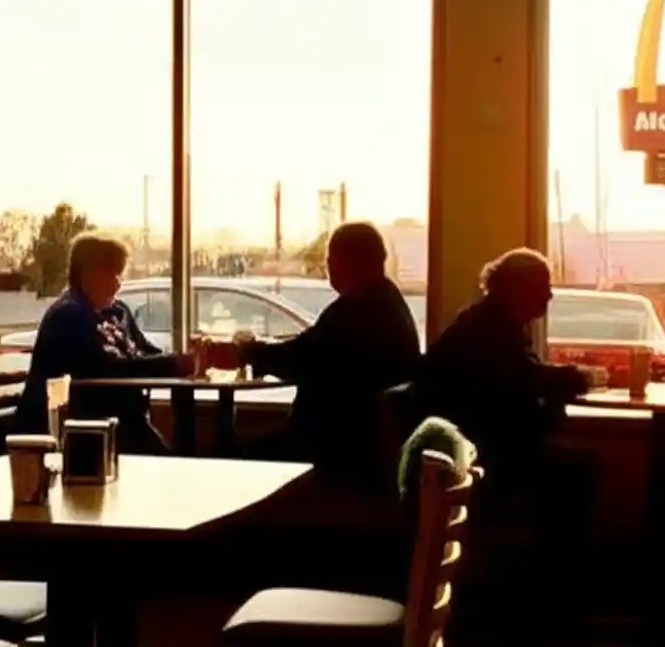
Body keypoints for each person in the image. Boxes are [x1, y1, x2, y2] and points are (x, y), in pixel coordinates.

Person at [414, 246, 601, 635]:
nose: (550, 296)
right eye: (543, 287)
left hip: (480, 444)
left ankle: (548, 587)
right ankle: (551, 593)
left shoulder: (493, 322)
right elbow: (520, 381)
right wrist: (572, 378)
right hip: (484, 454)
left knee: (576, 468)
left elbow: (521, 379)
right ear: (516, 289)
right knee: (578, 474)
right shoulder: (491, 329)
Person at [214, 222, 421, 487]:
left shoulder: (355, 311)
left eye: (330, 259)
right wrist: (256, 350)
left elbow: (301, 358)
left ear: (346, 261)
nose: (328, 268)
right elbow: (312, 349)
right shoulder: (388, 304)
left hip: (334, 451)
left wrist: (246, 353)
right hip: (362, 449)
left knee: (227, 464)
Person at [16, 234, 197, 454]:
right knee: (165, 461)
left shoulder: (118, 311)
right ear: (86, 273)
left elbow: (145, 352)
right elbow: (104, 370)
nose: (117, 283)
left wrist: (185, 359)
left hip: (122, 419)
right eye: (111, 273)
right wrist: (174, 364)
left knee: (169, 455)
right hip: (81, 428)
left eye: (119, 274)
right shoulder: (68, 315)